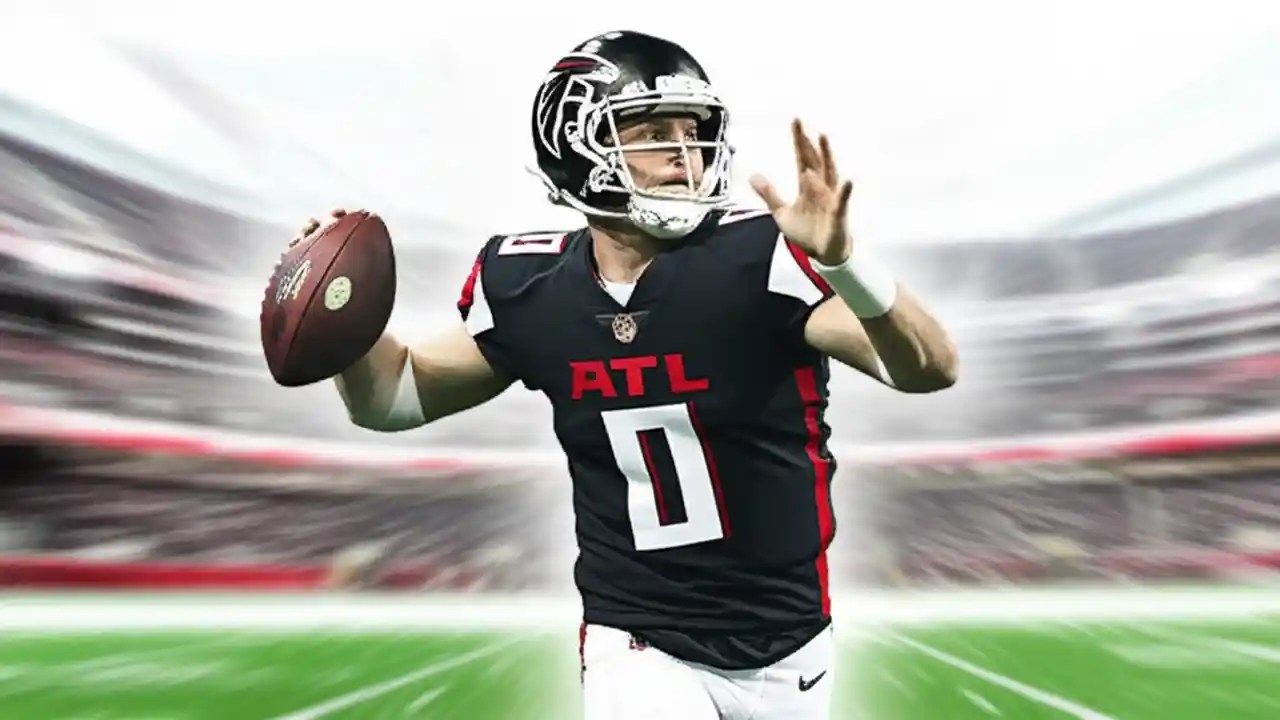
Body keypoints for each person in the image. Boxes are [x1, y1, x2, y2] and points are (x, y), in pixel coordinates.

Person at [293, 29, 957, 720]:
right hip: (638, 637)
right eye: (648, 130)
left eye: (692, 131)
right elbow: (392, 398)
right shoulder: (529, 284)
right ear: (574, 145)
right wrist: (345, 318)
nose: (682, 150)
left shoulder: (757, 259)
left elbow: (928, 367)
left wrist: (849, 263)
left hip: (789, 640)